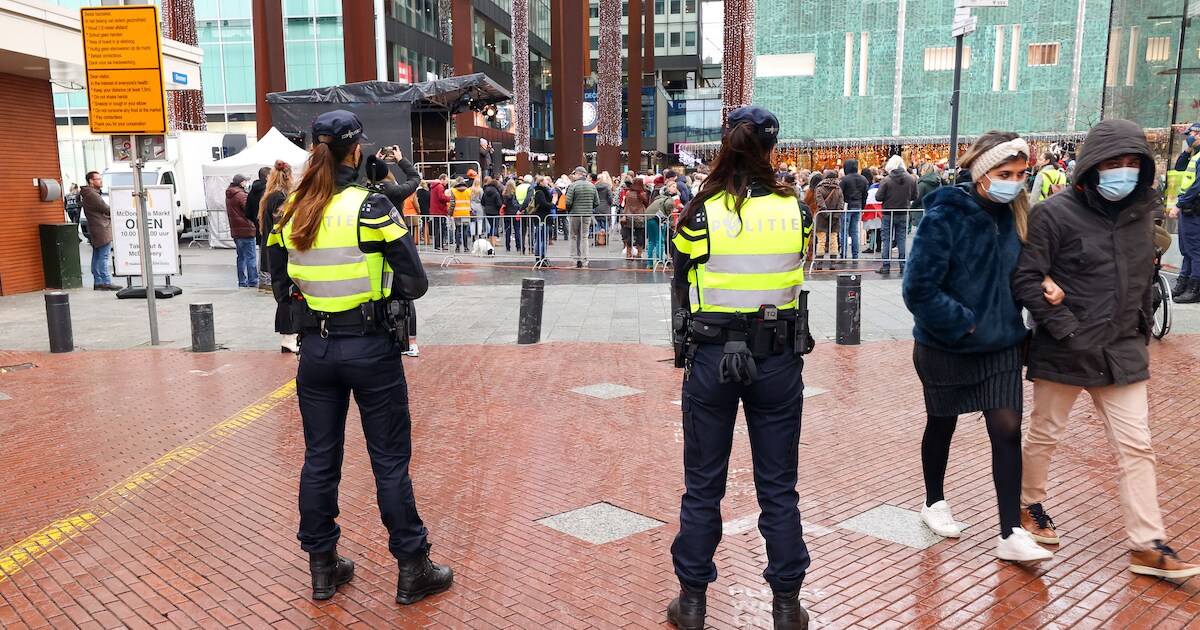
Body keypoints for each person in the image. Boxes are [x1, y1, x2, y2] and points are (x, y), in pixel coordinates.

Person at [266, 110, 453, 603]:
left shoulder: (288, 210)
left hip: (317, 350)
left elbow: (281, 288)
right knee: (389, 462)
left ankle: (323, 569)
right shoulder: (370, 208)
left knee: (319, 461)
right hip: (371, 348)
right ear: (356, 151)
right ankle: (412, 567)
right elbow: (416, 281)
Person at [1013, 118, 1200, 579]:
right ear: (1092, 167)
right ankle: (1028, 505)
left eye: (1130, 163)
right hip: (1065, 348)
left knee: (1138, 447)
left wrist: (1143, 322)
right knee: (1045, 434)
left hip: (1121, 352)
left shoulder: (1143, 215)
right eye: (1111, 163)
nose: (1121, 171)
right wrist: (1064, 326)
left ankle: (1147, 543)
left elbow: (1142, 281)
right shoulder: (1052, 214)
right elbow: (1026, 279)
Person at [667, 105, 813, 630]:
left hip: (711, 359)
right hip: (777, 358)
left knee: (704, 483)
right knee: (778, 485)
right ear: (772, 148)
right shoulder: (795, 210)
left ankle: (692, 603)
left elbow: (681, 279)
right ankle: (787, 606)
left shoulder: (703, 212)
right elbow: (798, 270)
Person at [902, 131, 1052, 563]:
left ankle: (1009, 531)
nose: (1014, 182)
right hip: (947, 345)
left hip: (1003, 344)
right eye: (1005, 173)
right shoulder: (945, 216)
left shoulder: (1019, 217)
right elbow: (918, 289)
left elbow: (1024, 276)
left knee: (1006, 428)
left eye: (1021, 174)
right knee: (942, 423)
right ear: (982, 173)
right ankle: (934, 501)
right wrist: (963, 325)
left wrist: (1045, 288)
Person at [259, 160, 299, 349]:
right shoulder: (281, 197)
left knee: (284, 294)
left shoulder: (269, 197)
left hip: (274, 249)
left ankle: (289, 336)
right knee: (286, 295)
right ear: (288, 176)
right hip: (281, 251)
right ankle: (288, 336)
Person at [1171, 122, 1200, 303]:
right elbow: (1179, 166)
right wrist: (1188, 148)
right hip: (1189, 209)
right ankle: (1184, 283)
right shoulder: (1195, 155)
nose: (1190, 137)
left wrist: (1179, 204)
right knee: (1187, 249)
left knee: (1195, 250)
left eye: (1193, 134)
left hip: (1194, 208)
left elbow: (1197, 185)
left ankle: (1194, 287)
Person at [875, 156, 918, 274]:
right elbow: (915, 196)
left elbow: (878, 197)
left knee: (886, 239)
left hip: (888, 213)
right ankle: (903, 265)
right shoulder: (911, 179)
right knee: (902, 239)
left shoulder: (887, 180)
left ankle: (886, 266)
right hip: (904, 212)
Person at [81, 171, 118, 290]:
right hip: (102, 228)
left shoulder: (89, 194)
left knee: (97, 256)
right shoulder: (93, 195)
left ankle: (98, 281)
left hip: (95, 228)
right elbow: (106, 209)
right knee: (103, 256)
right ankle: (106, 281)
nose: (101, 181)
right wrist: (111, 213)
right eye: (98, 179)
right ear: (91, 181)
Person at [226, 174, 258, 288]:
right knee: (251, 257)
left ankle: (242, 281)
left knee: (241, 257)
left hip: (236, 230)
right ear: (241, 183)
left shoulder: (229, 194)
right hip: (246, 229)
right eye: (245, 181)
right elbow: (248, 209)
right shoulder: (241, 195)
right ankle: (253, 280)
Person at [564, 166, 598, 268]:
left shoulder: (573, 186)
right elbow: (597, 202)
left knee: (573, 236)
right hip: (587, 214)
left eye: (575, 174)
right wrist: (589, 207)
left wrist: (569, 210)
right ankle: (585, 261)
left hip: (575, 214)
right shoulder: (592, 186)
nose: (574, 176)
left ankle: (574, 260)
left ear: (578, 174)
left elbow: (568, 202)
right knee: (584, 236)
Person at [839, 159, 869, 262]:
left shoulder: (844, 180)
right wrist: (863, 206)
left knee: (844, 232)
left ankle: (843, 255)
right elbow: (865, 194)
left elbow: (840, 194)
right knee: (855, 231)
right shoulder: (863, 179)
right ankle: (855, 256)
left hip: (847, 206)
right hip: (858, 205)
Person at [646, 180, 678, 268]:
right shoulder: (669, 200)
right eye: (673, 187)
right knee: (660, 240)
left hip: (649, 217)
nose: (675, 189)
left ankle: (649, 263)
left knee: (651, 241)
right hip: (658, 219)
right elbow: (669, 211)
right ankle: (660, 262)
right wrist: (671, 224)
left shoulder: (658, 198)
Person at [622, 177, 649, 259]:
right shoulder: (642, 193)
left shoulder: (628, 193)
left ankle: (629, 253)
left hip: (629, 215)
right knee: (639, 234)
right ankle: (639, 253)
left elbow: (626, 204)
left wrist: (624, 214)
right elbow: (646, 203)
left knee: (629, 234)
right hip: (640, 215)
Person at [532, 175, 555, 266]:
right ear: (541, 182)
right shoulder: (540, 192)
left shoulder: (543, 191)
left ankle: (540, 256)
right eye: (545, 181)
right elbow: (543, 204)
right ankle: (541, 256)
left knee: (540, 238)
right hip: (542, 217)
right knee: (541, 238)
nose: (547, 182)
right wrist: (553, 203)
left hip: (542, 217)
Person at [450, 177, 472, 252]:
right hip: (466, 212)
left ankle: (457, 247)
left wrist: (450, 213)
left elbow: (452, 203)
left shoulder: (454, 191)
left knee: (457, 229)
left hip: (457, 213)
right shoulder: (468, 191)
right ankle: (466, 247)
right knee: (465, 229)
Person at [428, 173, 450, 251]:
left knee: (437, 228)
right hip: (440, 211)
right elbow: (441, 197)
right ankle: (439, 245)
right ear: (442, 179)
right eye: (446, 180)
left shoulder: (433, 187)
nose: (447, 182)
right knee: (440, 228)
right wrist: (449, 198)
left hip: (434, 210)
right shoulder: (440, 187)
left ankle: (438, 245)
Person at [482, 176, 503, 246]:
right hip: (495, 211)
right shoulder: (496, 193)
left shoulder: (485, 191)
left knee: (491, 225)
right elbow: (499, 203)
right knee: (495, 226)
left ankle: (491, 241)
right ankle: (494, 241)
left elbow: (482, 202)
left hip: (487, 211)